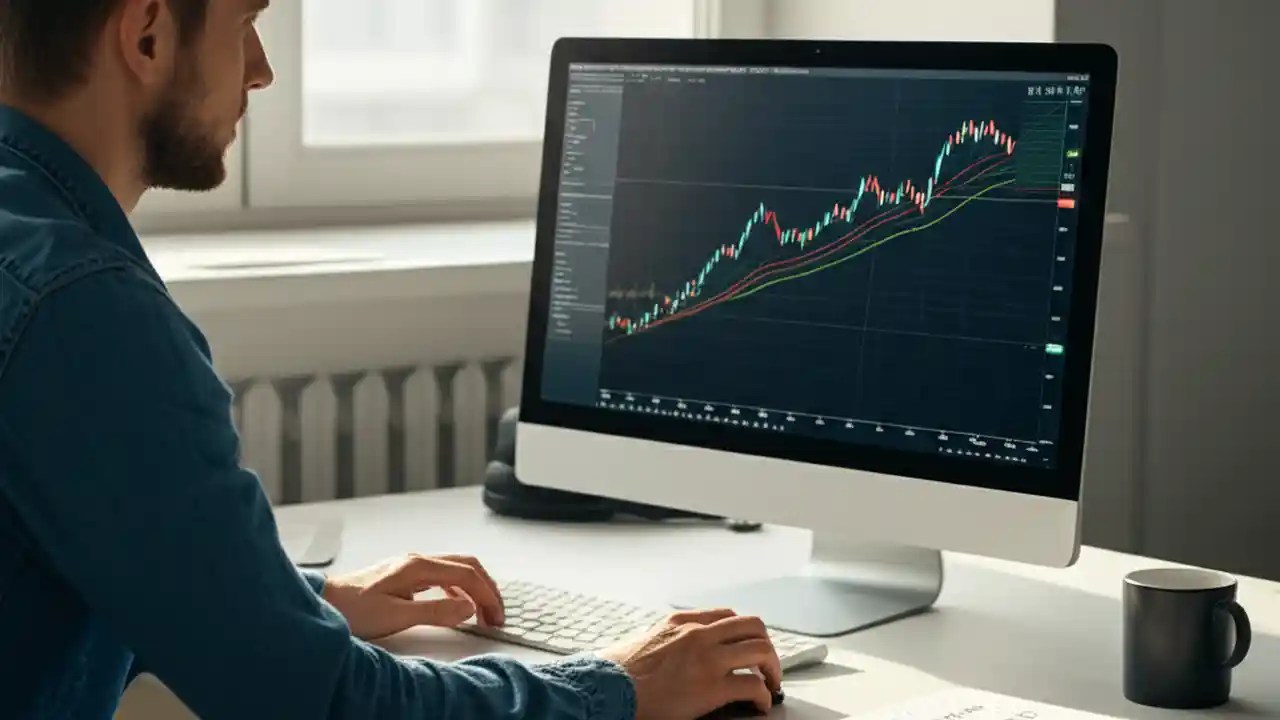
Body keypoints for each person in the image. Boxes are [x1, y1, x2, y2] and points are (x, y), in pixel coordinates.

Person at [0, 1, 784, 718]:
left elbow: (119, 563)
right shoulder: (86, 314)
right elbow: (324, 704)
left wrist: (309, 602)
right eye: (244, 22)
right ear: (147, 34)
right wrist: (613, 688)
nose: (262, 67)